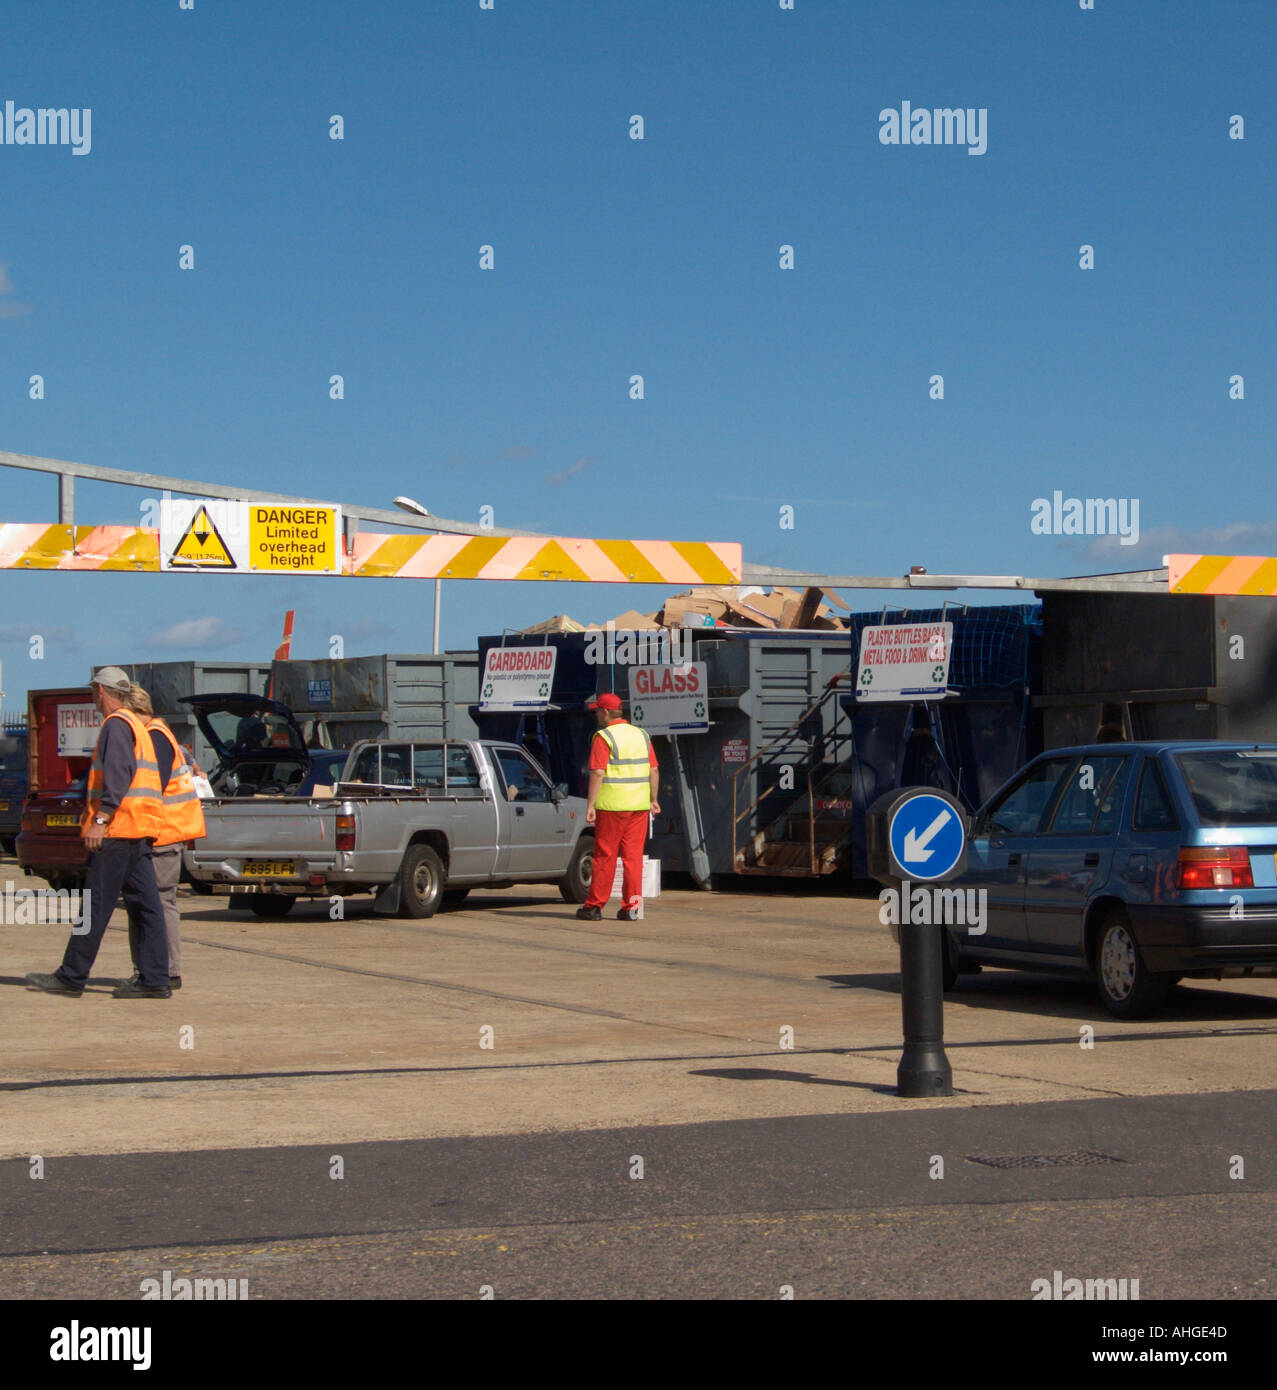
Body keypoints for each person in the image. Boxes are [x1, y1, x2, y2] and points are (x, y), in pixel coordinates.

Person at [25, 666, 171, 998]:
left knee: (95, 905)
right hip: (138, 828)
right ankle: (155, 979)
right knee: (146, 906)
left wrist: (101, 819)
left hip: (119, 829)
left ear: (100, 692)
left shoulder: (116, 725)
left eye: (93, 692)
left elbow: (118, 776)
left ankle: (71, 976)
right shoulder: (137, 724)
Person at [121, 684, 207, 991]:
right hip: (163, 833)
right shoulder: (160, 734)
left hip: (160, 835)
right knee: (155, 901)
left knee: (155, 901)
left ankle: (163, 970)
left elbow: (148, 788)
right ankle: (160, 969)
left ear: (136, 712)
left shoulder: (154, 738)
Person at [576, 692, 660, 923]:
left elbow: (598, 771)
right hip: (639, 807)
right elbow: (653, 770)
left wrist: (590, 804)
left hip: (612, 807)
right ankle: (632, 909)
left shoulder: (604, 737)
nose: (596, 714)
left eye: (597, 711)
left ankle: (594, 907)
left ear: (605, 712)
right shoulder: (641, 735)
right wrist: (654, 799)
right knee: (633, 858)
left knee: (605, 857)